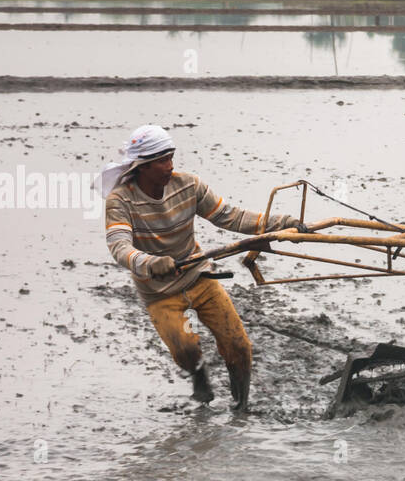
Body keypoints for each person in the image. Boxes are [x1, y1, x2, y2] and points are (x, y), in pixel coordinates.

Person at [99, 124, 305, 411]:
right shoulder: (120, 200)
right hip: (158, 291)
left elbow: (229, 217)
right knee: (185, 349)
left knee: (238, 345)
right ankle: (199, 379)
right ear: (141, 166)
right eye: (161, 161)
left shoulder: (188, 185)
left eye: (171, 157)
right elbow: (119, 247)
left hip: (199, 277)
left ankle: (241, 405)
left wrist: (280, 224)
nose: (169, 166)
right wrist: (151, 263)